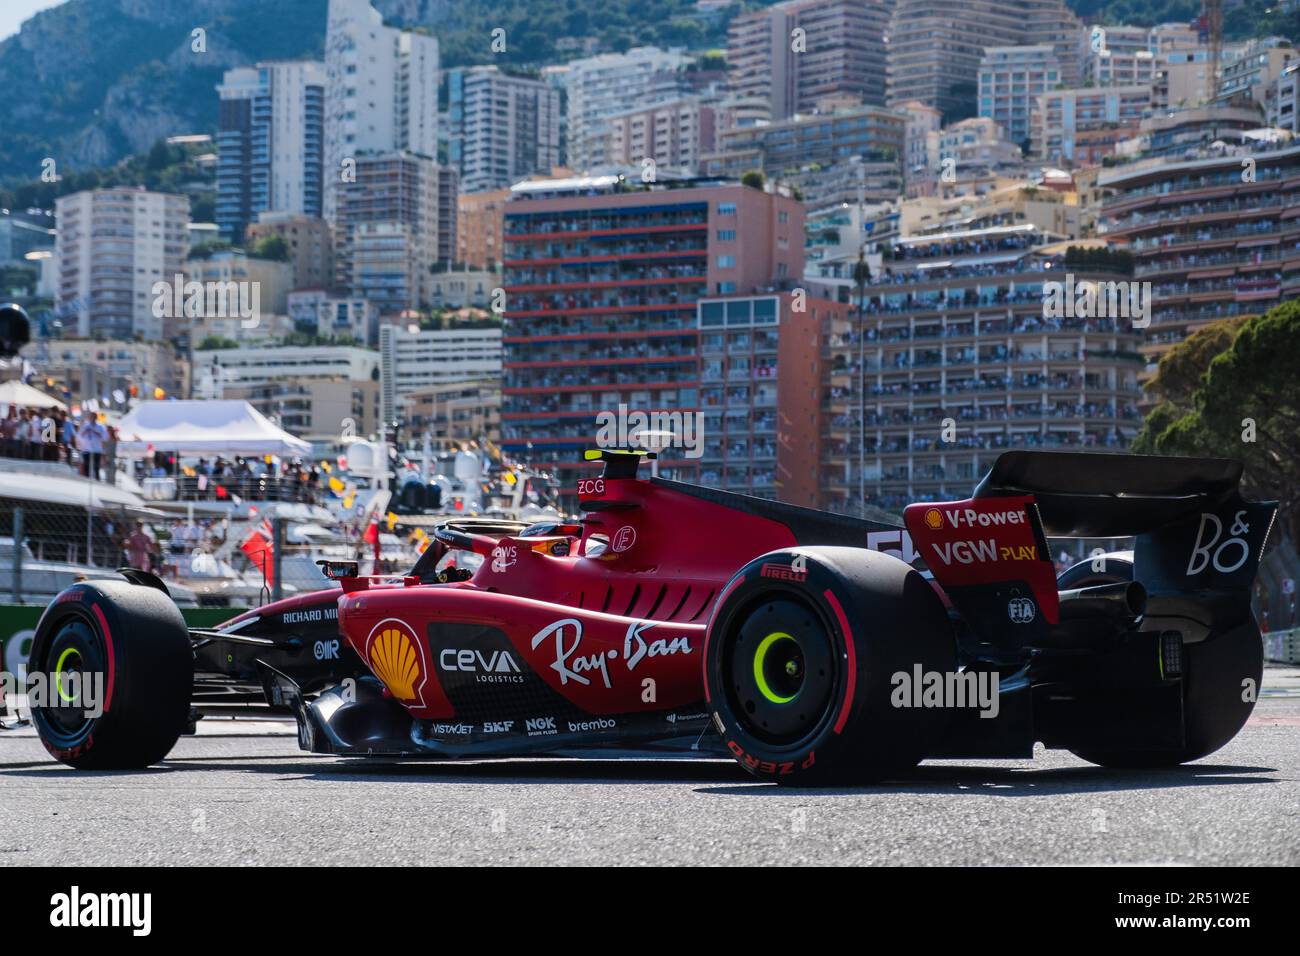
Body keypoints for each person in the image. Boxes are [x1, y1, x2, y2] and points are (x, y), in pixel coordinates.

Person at [75, 414, 107, 480]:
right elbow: (79, 436)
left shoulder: (100, 426)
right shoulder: (85, 426)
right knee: (87, 467)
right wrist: (85, 432)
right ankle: (86, 480)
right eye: (91, 417)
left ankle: (97, 480)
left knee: (96, 467)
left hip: (96, 450)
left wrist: (95, 432)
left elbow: (105, 437)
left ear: (96, 418)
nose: (92, 419)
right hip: (87, 449)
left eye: (94, 417)